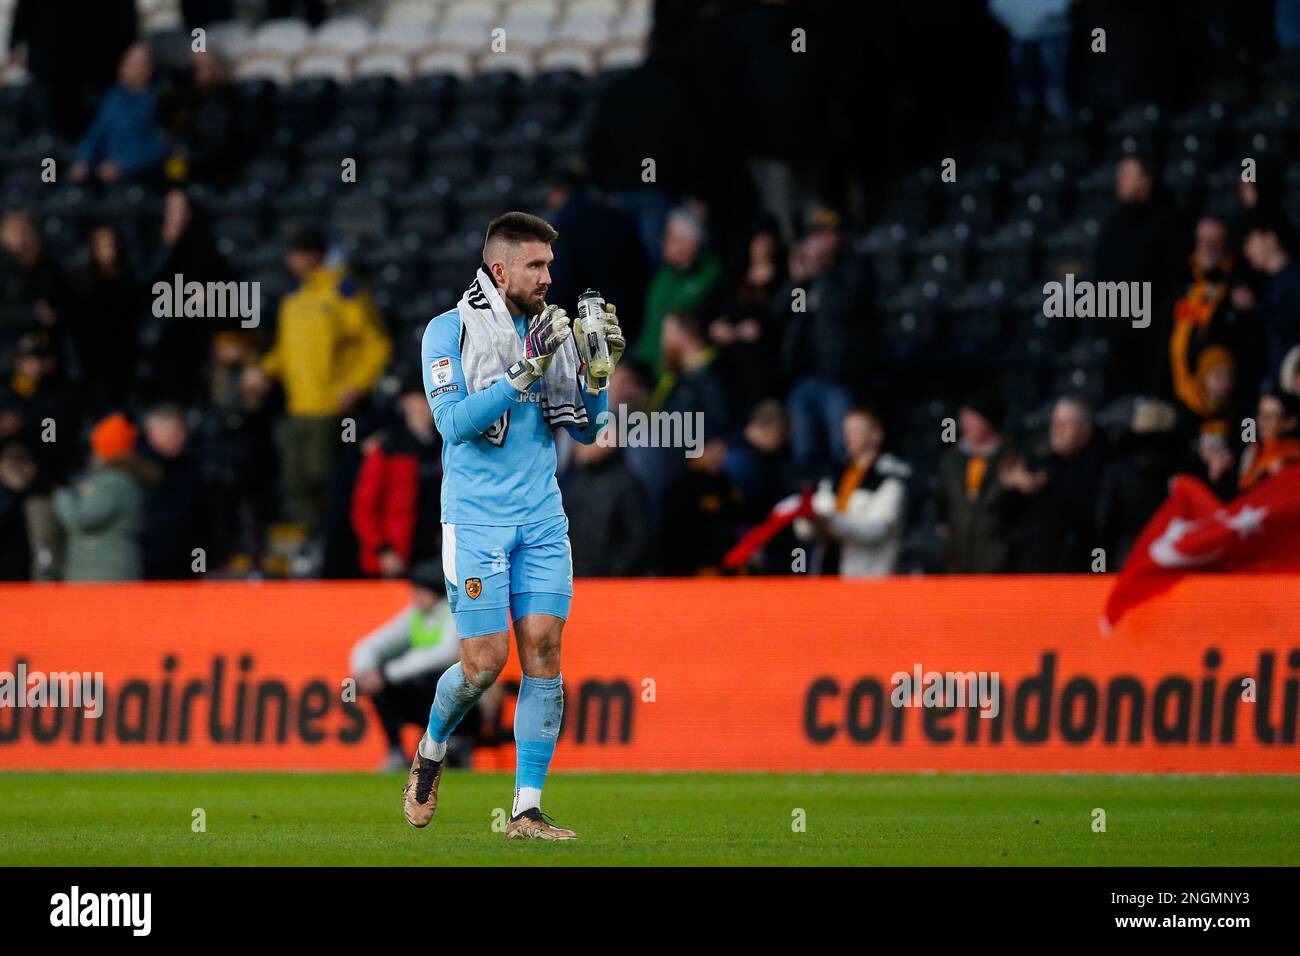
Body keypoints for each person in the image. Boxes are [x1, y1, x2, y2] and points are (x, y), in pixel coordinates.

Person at [408, 212, 623, 839]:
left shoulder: (550, 333)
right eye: (536, 266)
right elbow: (451, 423)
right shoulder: (446, 333)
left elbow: (587, 429)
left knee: (545, 654)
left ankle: (526, 809)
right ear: (499, 270)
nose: (548, 277)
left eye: (550, 265)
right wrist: (518, 375)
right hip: (474, 523)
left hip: (541, 520)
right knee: (484, 665)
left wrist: (598, 379)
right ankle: (431, 747)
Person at [243, 223, 392, 538]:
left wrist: (357, 384)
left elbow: (376, 343)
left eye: (297, 253)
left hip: (331, 406)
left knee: (324, 478)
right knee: (295, 481)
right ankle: (311, 545)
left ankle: (333, 544)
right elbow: (285, 351)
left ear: (314, 255)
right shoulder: (293, 297)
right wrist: (264, 371)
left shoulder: (344, 292)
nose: (291, 260)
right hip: (298, 406)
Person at [349, 561, 492, 771]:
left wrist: (388, 673)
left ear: (435, 592)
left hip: (468, 707)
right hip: (428, 702)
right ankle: (396, 753)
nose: (416, 596)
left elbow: (444, 654)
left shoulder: (454, 612)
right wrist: (365, 671)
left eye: (421, 591)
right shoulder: (415, 615)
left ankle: (456, 743)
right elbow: (374, 644)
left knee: (435, 679)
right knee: (381, 687)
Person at [795, 407, 909, 577]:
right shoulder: (835, 474)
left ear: (876, 435)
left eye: (857, 430)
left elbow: (876, 531)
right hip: (827, 574)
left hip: (867, 580)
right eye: (846, 431)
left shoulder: (890, 480)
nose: (849, 437)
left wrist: (829, 521)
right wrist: (810, 519)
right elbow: (804, 529)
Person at [351, 375, 443, 578]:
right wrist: (382, 551)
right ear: (407, 403)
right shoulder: (387, 450)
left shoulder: (445, 447)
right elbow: (363, 509)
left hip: (434, 558)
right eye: (421, 398)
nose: (426, 405)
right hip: (395, 560)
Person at [53, 412, 158, 581]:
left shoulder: (112, 482)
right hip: (112, 570)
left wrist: (62, 496)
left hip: (102, 573)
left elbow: (82, 519)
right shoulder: (126, 478)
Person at [934, 388, 1022, 573]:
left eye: (974, 417)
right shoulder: (951, 459)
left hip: (998, 563)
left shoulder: (1011, 458)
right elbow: (942, 501)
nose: (966, 423)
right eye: (964, 417)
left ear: (989, 421)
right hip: (956, 560)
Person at [70, 43, 166, 186]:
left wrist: (123, 167)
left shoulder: (157, 102)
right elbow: (95, 134)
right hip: (106, 184)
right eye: (125, 61)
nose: (125, 67)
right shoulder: (112, 98)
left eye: (133, 63)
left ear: (147, 70)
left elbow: (158, 148)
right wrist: (82, 160)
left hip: (142, 182)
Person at [560, 436, 651, 577]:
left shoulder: (627, 484)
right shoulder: (567, 481)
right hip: (573, 578)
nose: (582, 444)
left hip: (610, 584)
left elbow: (637, 538)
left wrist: (613, 572)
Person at [1238, 391, 1300, 491]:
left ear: (1290, 422)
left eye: (1271, 416)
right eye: (1260, 414)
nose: (1263, 421)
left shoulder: (1294, 456)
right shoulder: (1252, 449)